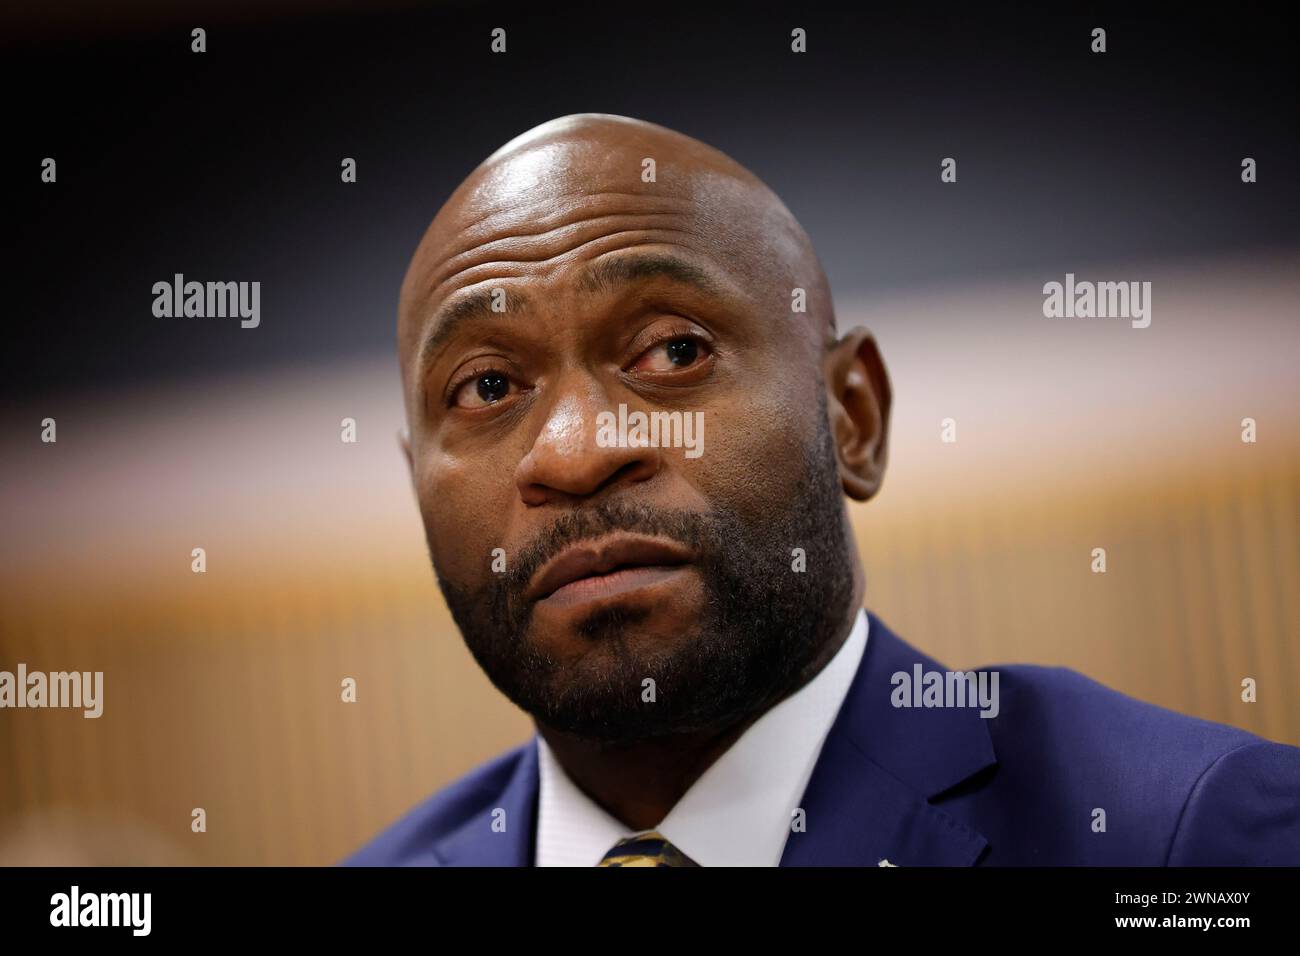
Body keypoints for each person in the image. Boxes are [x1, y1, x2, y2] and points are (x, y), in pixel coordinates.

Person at [347, 113, 1300, 866]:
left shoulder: (1183, 837)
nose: (575, 452)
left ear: (853, 418)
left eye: (674, 351)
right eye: (487, 388)